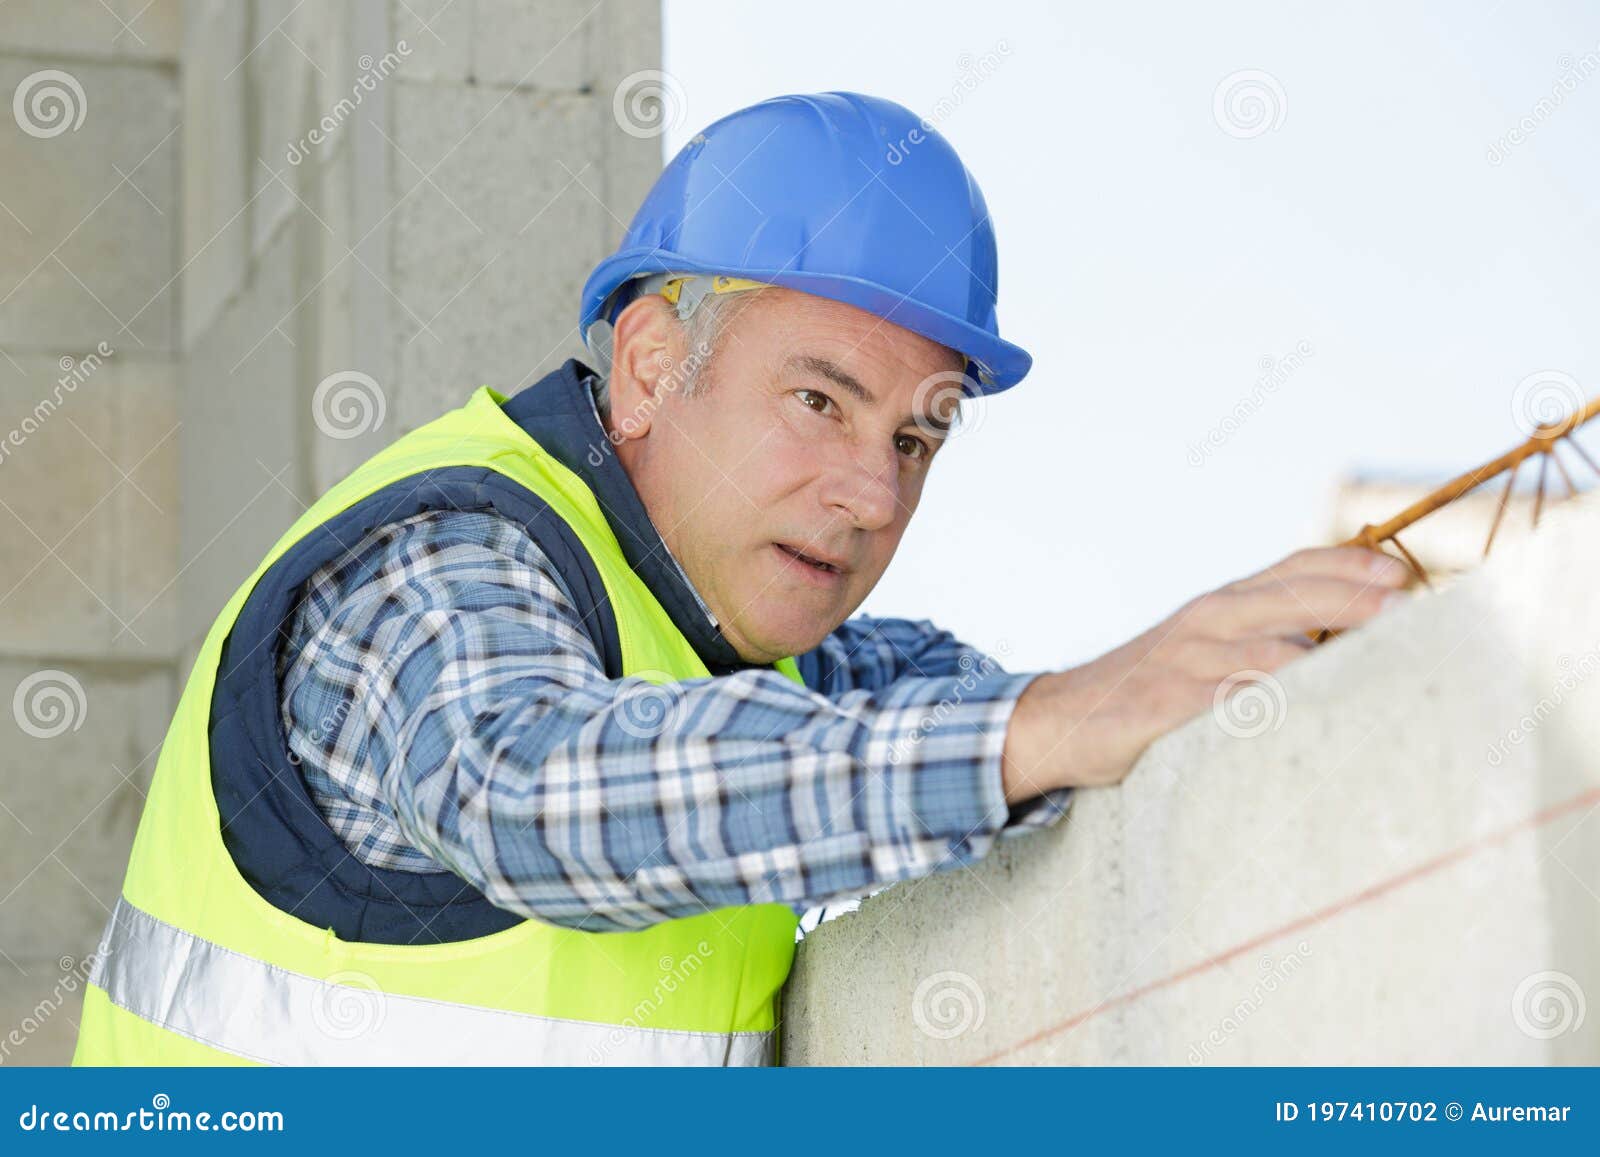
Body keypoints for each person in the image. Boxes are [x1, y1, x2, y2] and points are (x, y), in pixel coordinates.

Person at [74, 92, 1409, 1067]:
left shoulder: (759, 662)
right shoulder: (433, 566)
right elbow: (534, 792)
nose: (874, 493)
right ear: (653, 366)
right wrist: (1043, 726)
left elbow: (969, 726)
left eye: (916, 436)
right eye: (820, 402)